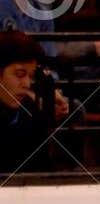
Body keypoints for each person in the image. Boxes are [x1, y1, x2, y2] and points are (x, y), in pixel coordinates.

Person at [0, 26, 64, 171]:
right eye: (20, 74)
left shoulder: (32, 112)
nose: (27, 84)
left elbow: (43, 171)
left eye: (31, 76)